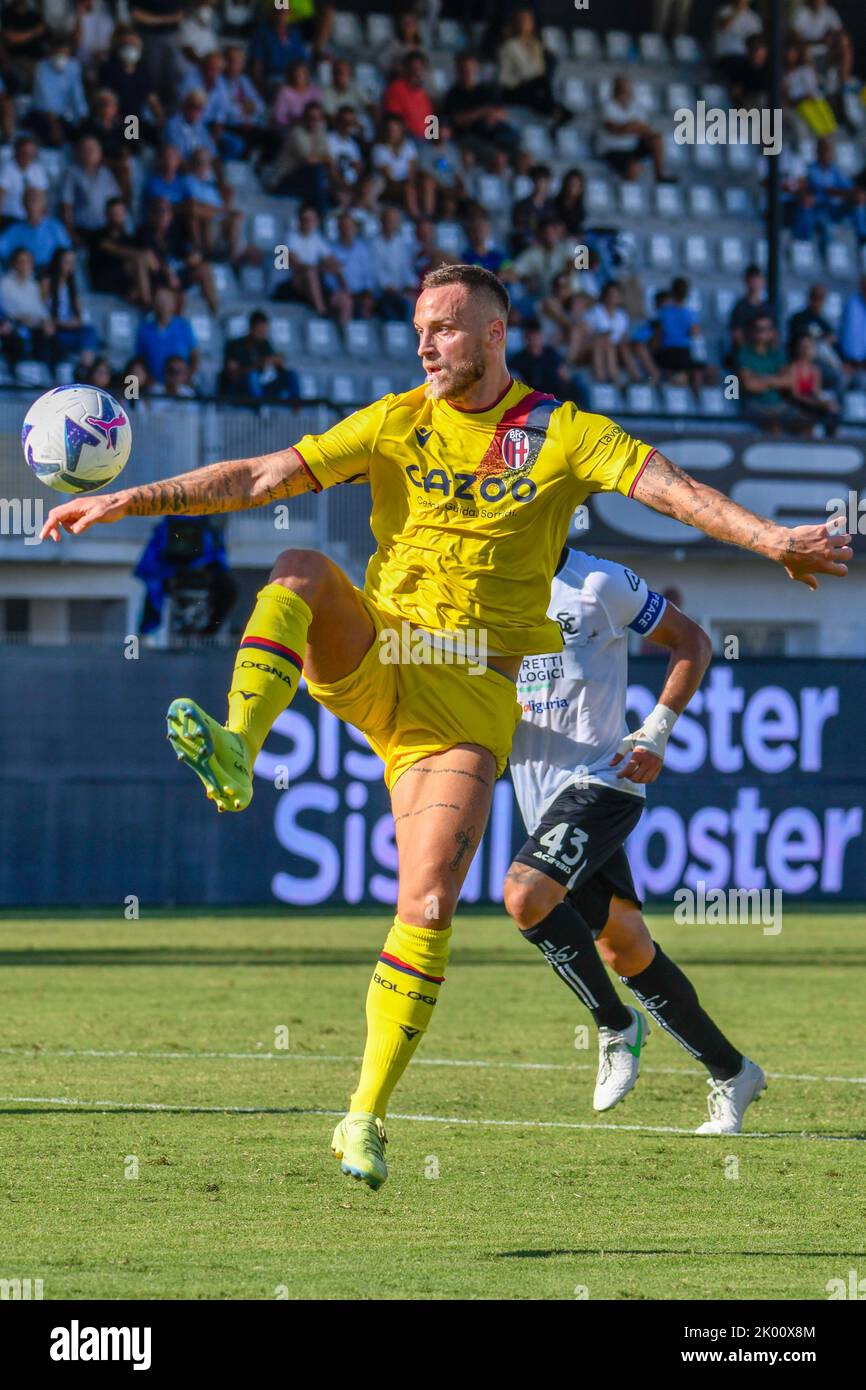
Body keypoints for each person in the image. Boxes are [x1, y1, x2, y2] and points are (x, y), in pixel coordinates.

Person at [40, 264, 853, 1191]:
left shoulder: (565, 433)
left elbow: (672, 490)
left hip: (467, 704)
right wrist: (126, 497)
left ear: (496, 333)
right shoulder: (394, 421)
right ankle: (238, 744)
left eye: (445, 329)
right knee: (301, 561)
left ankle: (364, 1117)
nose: (424, 344)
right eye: (419, 327)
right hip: (386, 651)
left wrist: (773, 540)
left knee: (428, 907)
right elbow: (262, 474)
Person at [504, 545, 766, 1134]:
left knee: (524, 895)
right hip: (540, 799)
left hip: (606, 779)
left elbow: (692, 641)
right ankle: (733, 1072)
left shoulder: (597, 581)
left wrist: (656, 732)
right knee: (625, 948)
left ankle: (614, 1026)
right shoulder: (485, 584)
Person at [598, 75, 675, 184]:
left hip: (632, 146)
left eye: (625, 88)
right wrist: (632, 127)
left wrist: (630, 127)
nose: (623, 91)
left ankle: (659, 174)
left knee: (657, 139)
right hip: (613, 149)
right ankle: (627, 191)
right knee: (634, 167)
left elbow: (646, 129)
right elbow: (614, 129)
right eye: (621, 88)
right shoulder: (607, 106)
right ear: (614, 89)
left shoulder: (636, 107)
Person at [220, 309, 300, 401]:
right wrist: (257, 365)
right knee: (252, 376)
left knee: (291, 375)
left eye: (265, 330)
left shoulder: (265, 345)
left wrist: (278, 361)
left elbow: (279, 370)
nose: (263, 333)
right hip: (237, 390)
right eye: (260, 330)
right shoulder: (234, 345)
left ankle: (297, 409)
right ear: (251, 328)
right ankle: (260, 409)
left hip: (259, 389)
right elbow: (232, 375)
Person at [43, 245, 99, 366]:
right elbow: (41, 312)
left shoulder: (71, 286)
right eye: (67, 262)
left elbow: (81, 314)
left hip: (70, 329)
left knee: (90, 331)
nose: (70, 266)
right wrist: (62, 323)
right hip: (55, 330)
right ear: (58, 262)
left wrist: (77, 321)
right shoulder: (47, 283)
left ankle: (85, 367)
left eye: (73, 262)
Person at [510, 317, 586, 405]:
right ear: (526, 337)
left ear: (541, 335)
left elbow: (564, 374)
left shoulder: (551, 353)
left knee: (578, 385)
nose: (534, 339)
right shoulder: (519, 359)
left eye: (537, 335)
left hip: (556, 395)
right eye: (531, 335)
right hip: (535, 400)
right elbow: (517, 382)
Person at [134, 283, 198, 385]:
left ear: (173, 303)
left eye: (167, 300)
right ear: (154, 303)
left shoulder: (184, 327)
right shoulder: (144, 330)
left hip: (180, 385)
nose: (163, 305)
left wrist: (187, 377)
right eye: (159, 300)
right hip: (154, 387)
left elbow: (195, 356)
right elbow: (140, 360)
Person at [382, 50, 435, 142]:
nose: (416, 74)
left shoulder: (423, 94)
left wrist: (434, 140)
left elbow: (430, 121)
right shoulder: (396, 89)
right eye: (413, 69)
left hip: (426, 140)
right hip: (407, 139)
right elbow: (394, 119)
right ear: (406, 69)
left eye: (419, 70)